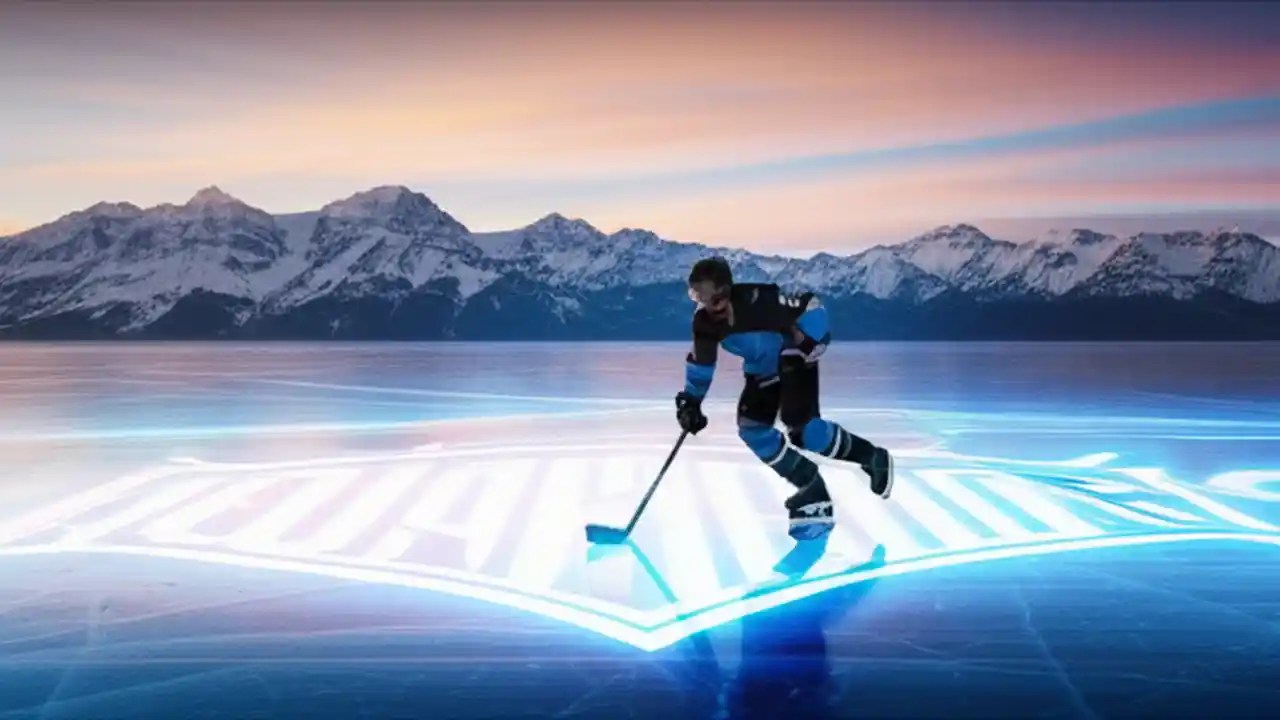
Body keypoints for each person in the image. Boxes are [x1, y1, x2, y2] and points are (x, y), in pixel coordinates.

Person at [674, 256, 893, 540]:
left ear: (726, 290)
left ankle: (872, 457)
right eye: (697, 296)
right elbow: (702, 365)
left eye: (709, 295)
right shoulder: (704, 323)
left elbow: (809, 308)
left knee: (804, 430)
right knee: (753, 429)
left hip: (794, 352)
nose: (705, 304)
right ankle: (811, 486)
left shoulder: (759, 302)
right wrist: (691, 401)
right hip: (762, 368)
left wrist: (810, 344)